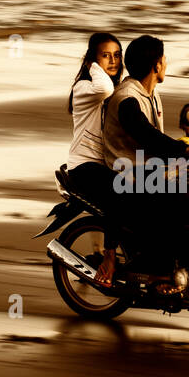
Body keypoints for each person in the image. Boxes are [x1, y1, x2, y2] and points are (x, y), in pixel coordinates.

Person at [102, 36, 189, 293]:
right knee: (176, 199)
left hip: (147, 170)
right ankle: (157, 269)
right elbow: (146, 135)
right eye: (163, 59)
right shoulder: (127, 99)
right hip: (126, 176)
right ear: (156, 66)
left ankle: (184, 257)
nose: (165, 63)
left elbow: (157, 142)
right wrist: (185, 149)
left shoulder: (148, 94)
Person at [66, 32, 122, 285]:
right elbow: (104, 86)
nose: (112, 61)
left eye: (117, 56)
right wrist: (94, 67)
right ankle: (109, 257)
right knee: (119, 191)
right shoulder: (85, 88)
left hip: (105, 165)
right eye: (105, 56)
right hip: (83, 167)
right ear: (92, 59)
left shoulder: (115, 91)